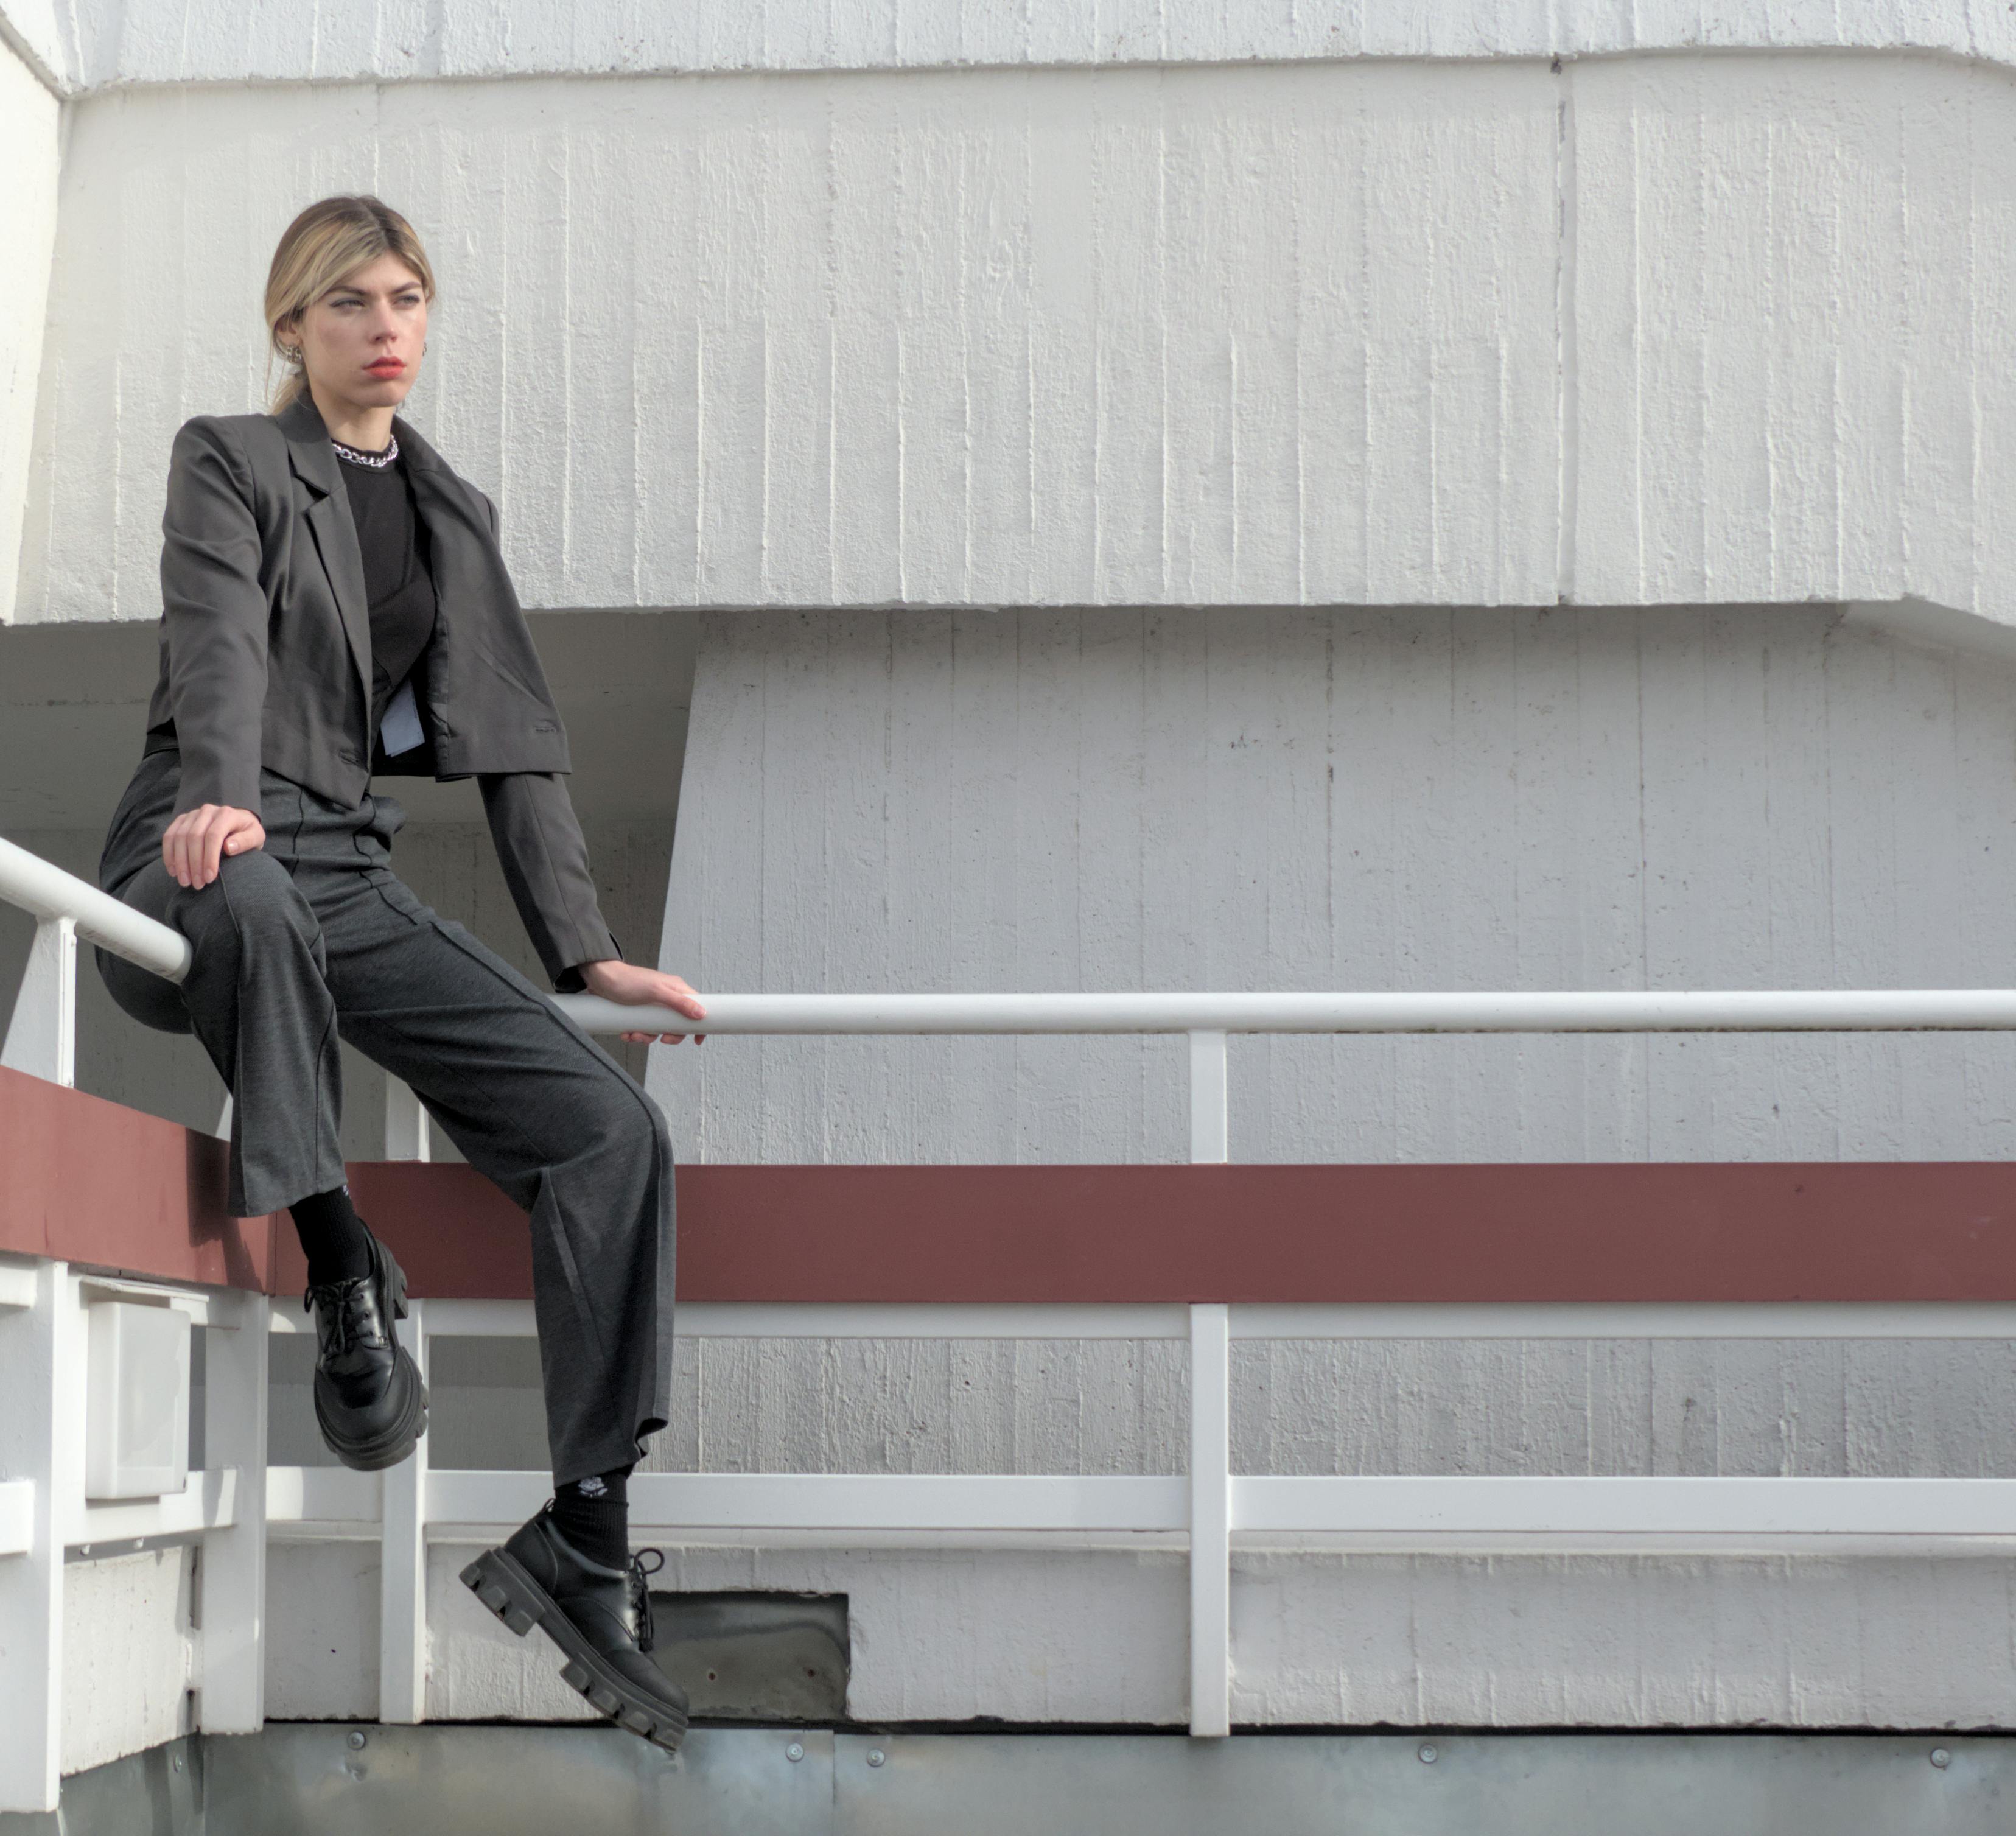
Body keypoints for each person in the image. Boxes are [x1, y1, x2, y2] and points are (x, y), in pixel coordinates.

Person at [93, 194, 703, 1753]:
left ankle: (582, 1525)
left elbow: (512, 732)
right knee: (259, 908)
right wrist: (222, 793)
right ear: (291, 324)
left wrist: (585, 946)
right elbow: (217, 632)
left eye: (409, 297)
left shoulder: (450, 508)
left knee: (609, 1131)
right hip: (198, 845)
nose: (386, 325)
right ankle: (338, 1257)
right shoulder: (228, 456)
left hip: (343, 869)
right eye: (351, 299)